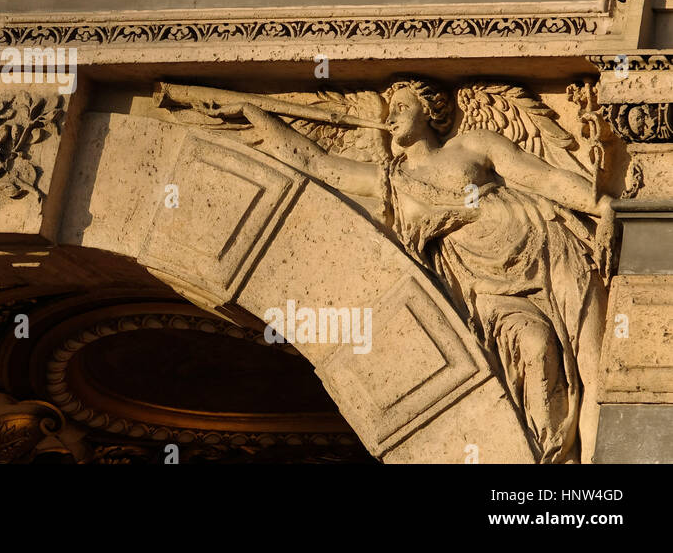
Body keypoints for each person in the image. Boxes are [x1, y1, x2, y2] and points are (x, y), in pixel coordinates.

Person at [208, 79, 612, 463]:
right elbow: (319, 164)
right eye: (389, 110)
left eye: (401, 106)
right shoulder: (392, 181)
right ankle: (551, 461)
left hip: (549, 251)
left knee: (594, 360)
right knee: (536, 346)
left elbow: (538, 175)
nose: (391, 116)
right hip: (487, 286)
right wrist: (252, 110)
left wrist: (602, 207)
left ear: (431, 109)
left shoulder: (472, 144)